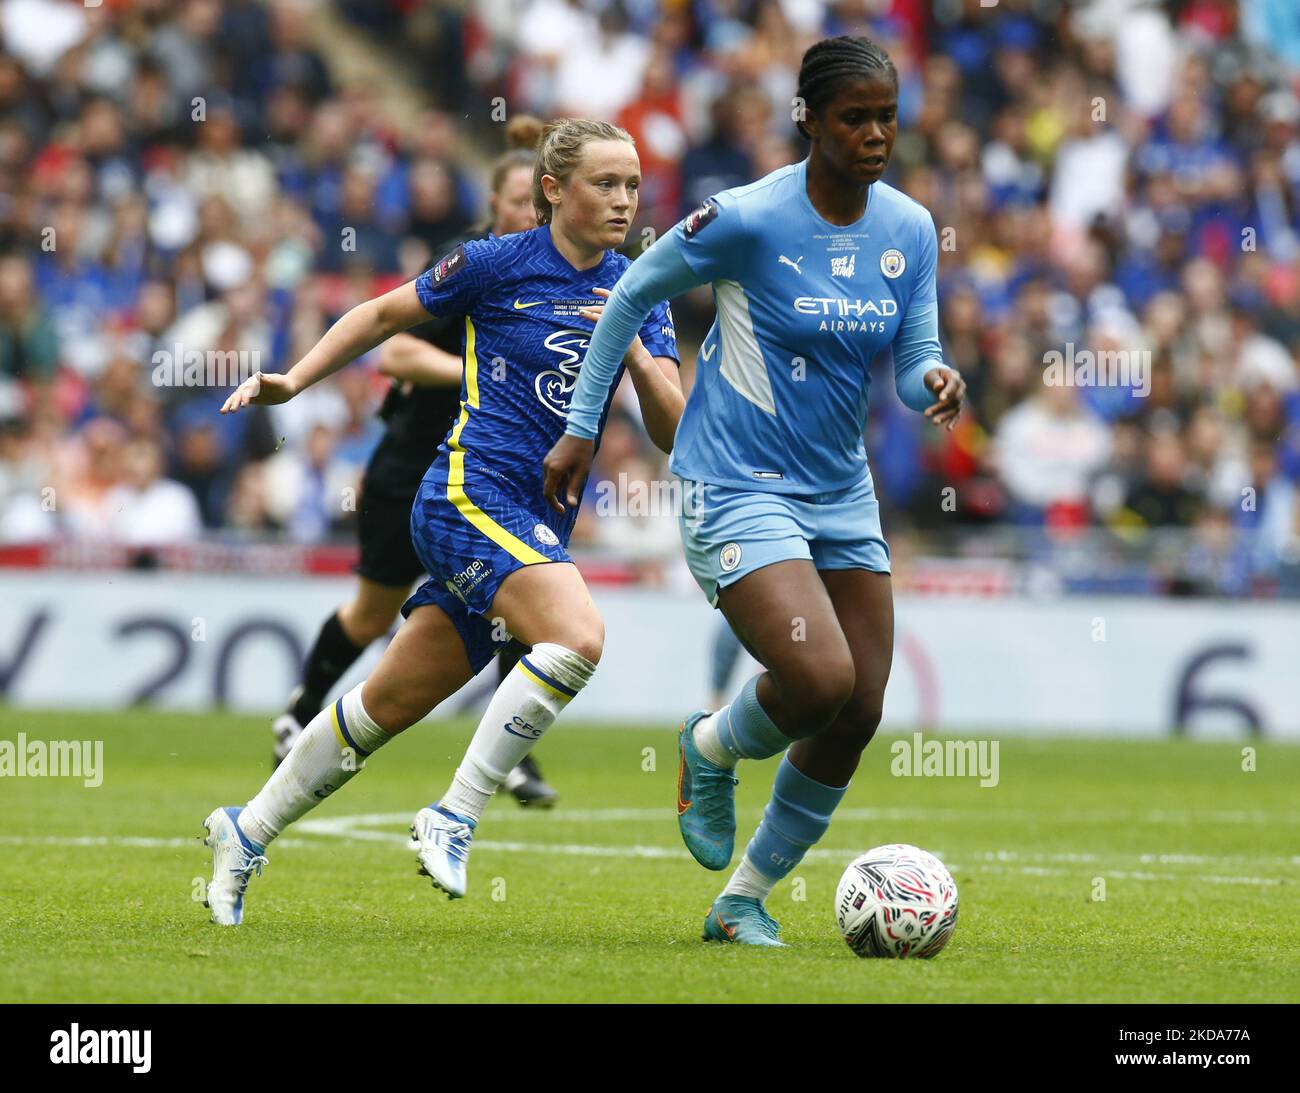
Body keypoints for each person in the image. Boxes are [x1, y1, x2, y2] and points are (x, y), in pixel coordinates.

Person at [203, 118, 682, 925]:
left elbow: (672, 426)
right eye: (606, 183)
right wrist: (296, 378)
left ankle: (243, 832)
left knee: (381, 708)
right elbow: (382, 317)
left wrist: (634, 341)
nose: (623, 200)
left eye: (633, 185)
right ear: (553, 190)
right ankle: (455, 813)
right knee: (578, 637)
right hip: (466, 495)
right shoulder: (495, 264)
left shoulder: (641, 285)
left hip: (537, 524)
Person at [544, 36, 966, 947]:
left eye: (887, 116)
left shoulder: (908, 230)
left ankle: (742, 900)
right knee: (817, 677)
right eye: (855, 117)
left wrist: (934, 379)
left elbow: (911, 359)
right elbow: (626, 297)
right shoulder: (744, 217)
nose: (876, 134)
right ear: (808, 120)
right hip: (736, 483)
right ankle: (709, 748)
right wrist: (583, 427)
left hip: (838, 490)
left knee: (859, 705)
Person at [274, 116, 558, 807]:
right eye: (517, 200)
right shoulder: (470, 262)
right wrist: (481, 372)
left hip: (487, 471)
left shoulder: (556, 271)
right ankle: (301, 708)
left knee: (514, 602)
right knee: (372, 614)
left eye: (536, 202)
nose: (528, 213)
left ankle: (513, 760)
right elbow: (394, 349)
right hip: (411, 466)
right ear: (496, 203)